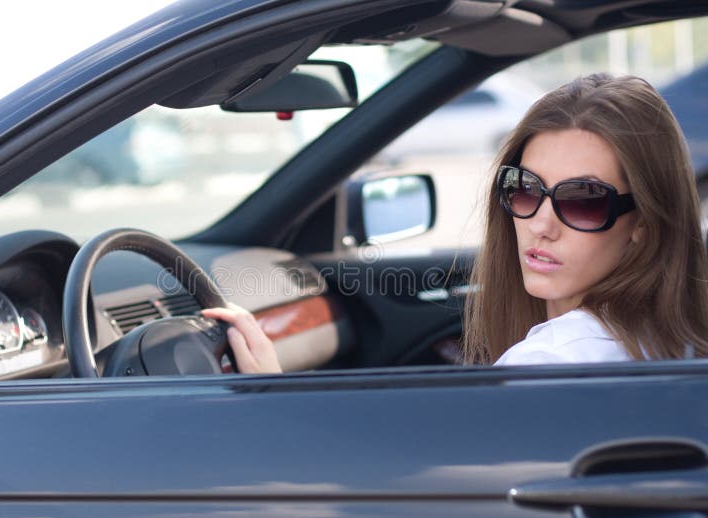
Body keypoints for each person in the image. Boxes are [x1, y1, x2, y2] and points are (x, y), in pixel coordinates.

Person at [202, 73, 708, 372]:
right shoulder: (671, 334)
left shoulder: (554, 361)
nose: (541, 225)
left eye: (583, 202)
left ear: (642, 221)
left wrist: (266, 390)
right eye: (525, 189)